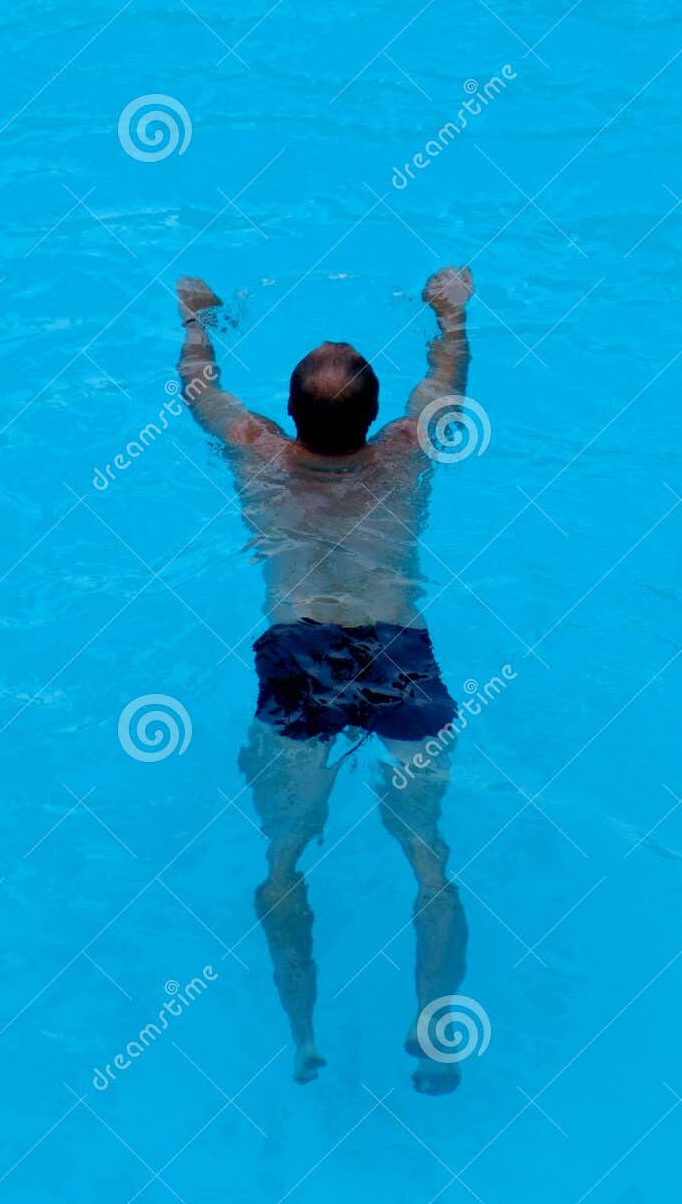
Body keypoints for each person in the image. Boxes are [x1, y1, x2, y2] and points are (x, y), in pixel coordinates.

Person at [176, 267, 474, 1094]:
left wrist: (194, 321)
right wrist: (450, 319)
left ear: (293, 413)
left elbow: (198, 391)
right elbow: (446, 388)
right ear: (372, 415)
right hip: (398, 655)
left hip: (300, 658)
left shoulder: (258, 455)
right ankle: (436, 1028)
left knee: (283, 858)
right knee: (428, 861)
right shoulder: (405, 456)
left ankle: (304, 1036)